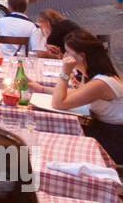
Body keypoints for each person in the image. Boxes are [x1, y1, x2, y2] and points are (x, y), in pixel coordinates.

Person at [51, 30, 123, 163]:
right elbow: (75, 94)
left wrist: (65, 73)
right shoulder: (91, 74)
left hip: (115, 138)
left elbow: (58, 103)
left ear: (81, 56)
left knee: (62, 141)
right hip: (103, 127)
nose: (65, 56)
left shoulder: (100, 83)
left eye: (68, 52)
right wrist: (39, 88)